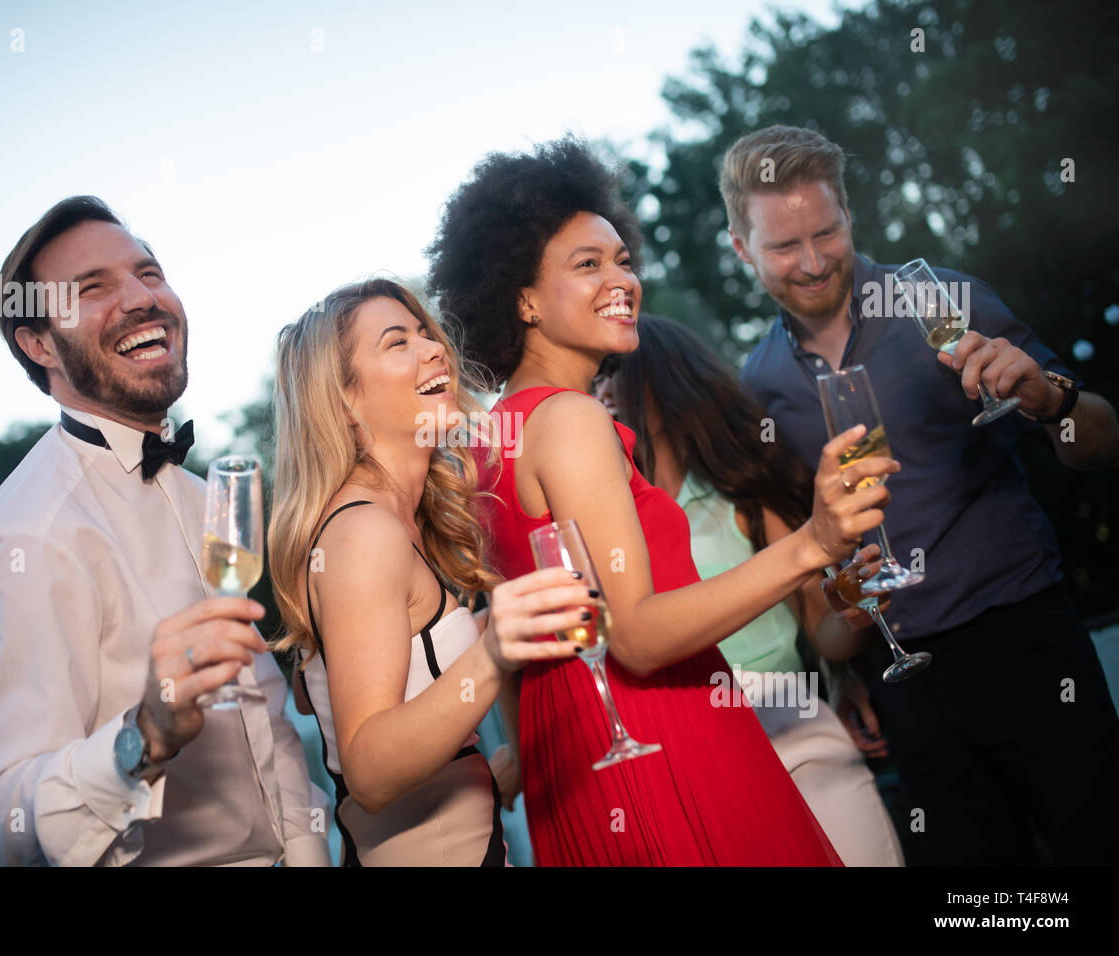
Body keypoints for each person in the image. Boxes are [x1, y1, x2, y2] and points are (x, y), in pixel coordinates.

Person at [425, 136, 897, 866]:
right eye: (587, 264)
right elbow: (638, 634)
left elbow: (517, 656)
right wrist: (813, 543)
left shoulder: (487, 443)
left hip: (577, 762)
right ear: (520, 297)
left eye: (623, 259)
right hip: (667, 737)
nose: (622, 279)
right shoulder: (572, 419)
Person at [724, 124, 1119, 865]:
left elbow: (1101, 440)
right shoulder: (758, 386)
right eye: (784, 246)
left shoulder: (941, 299)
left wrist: (1051, 400)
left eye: (827, 232)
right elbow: (806, 565)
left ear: (849, 216)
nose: (812, 263)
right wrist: (839, 664)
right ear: (743, 249)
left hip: (1025, 638)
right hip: (902, 676)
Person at [0, 196, 330, 866]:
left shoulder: (212, 499)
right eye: (92, 288)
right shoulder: (26, 540)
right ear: (38, 345)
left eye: (148, 274)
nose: (140, 298)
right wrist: (142, 736)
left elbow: (270, 734)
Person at [267, 278, 588, 865]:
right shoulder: (364, 533)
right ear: (343, 400)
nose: (435, 347)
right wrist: (494, 653)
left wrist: (485, 772)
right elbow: (368, 769)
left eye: (424, 332)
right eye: (396, 343)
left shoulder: (391, 520)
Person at [594, 314, 904, 866]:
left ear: (661, 381)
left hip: (790, 723)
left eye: (611, 373)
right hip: (686, 752)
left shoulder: (742, 496)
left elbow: (825, 636)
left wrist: (850, 611)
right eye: (593, 380)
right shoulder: (603, 523)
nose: (598, 392)